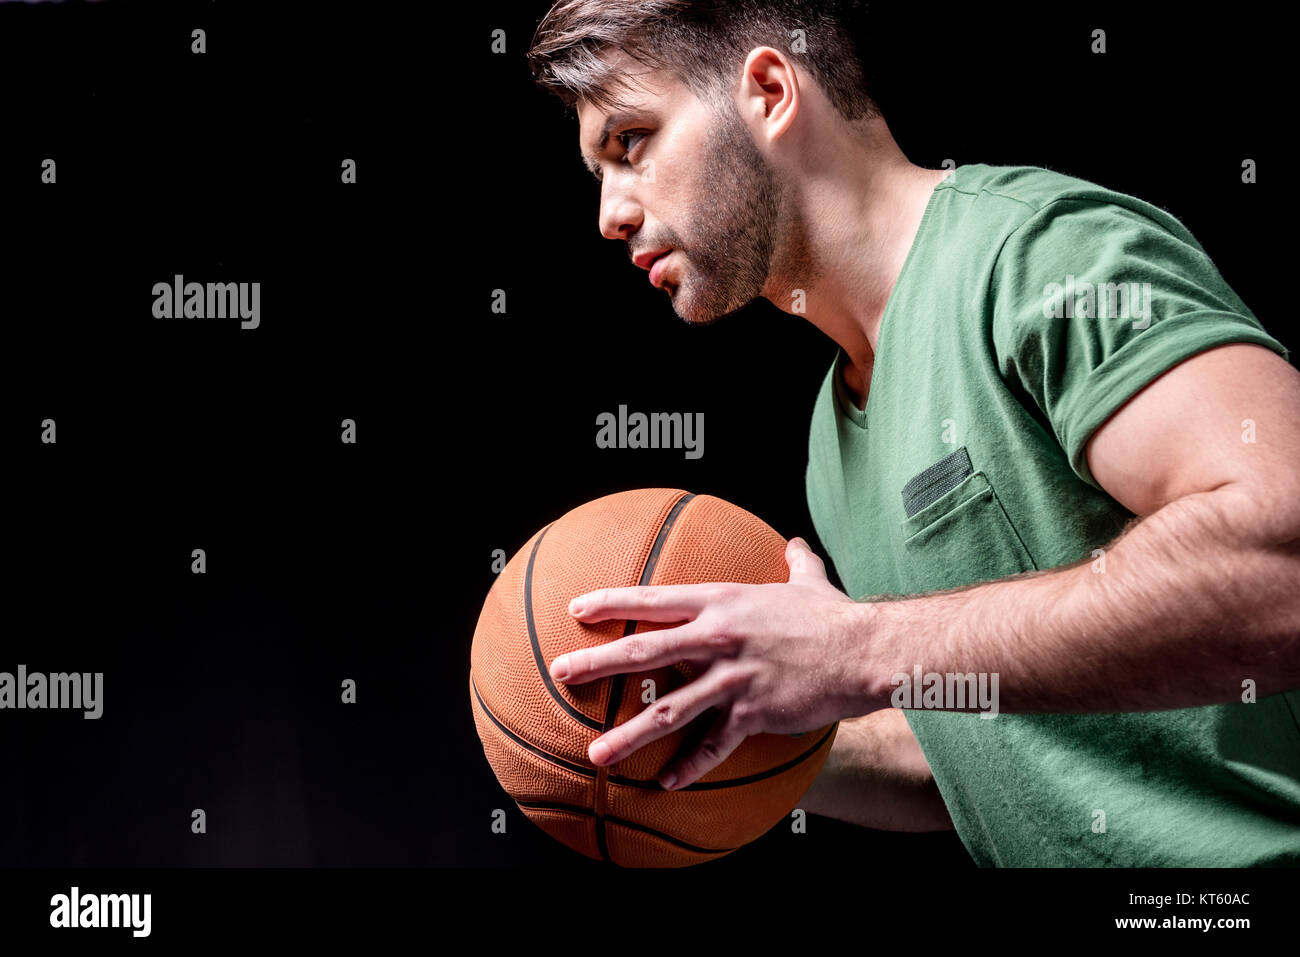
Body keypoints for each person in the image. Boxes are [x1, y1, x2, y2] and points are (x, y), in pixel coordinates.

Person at [526, 0, 1300, 865]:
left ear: (772, 90)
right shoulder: (833, 434)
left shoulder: (1040, 255)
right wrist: (719, 723)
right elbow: (982, 749)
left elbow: (1283, 564)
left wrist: (859, 646)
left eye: (630, 143)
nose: (609, 215)